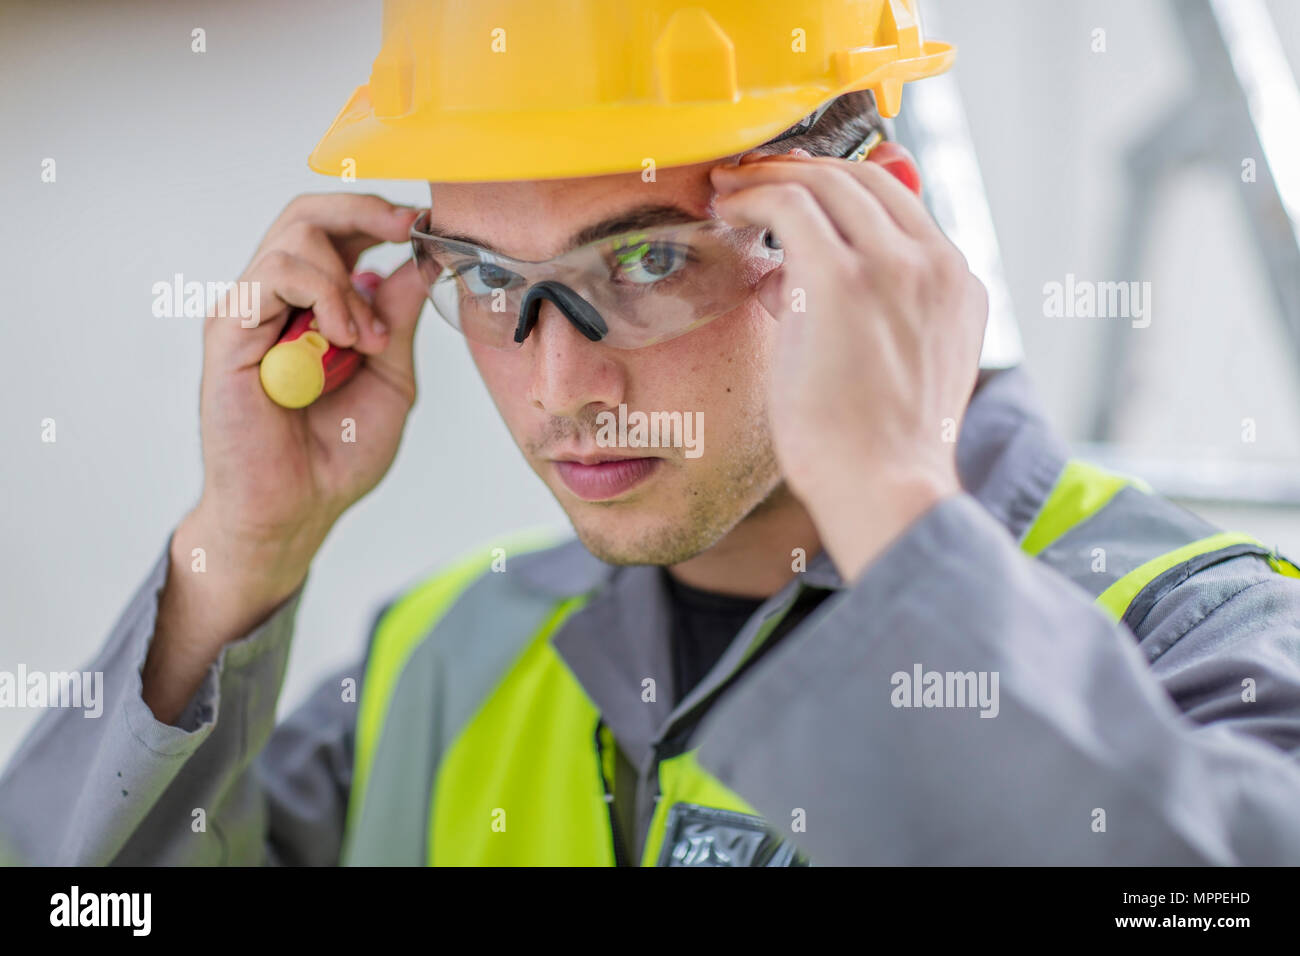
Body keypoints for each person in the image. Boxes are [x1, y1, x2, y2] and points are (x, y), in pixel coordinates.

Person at [4, 0, 1300, 866]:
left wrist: (898, 507)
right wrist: (240, 547)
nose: (561, 384)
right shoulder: (437, 670)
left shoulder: (1206, 642)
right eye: (492, 281)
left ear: (869, 230)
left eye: (647, 259)